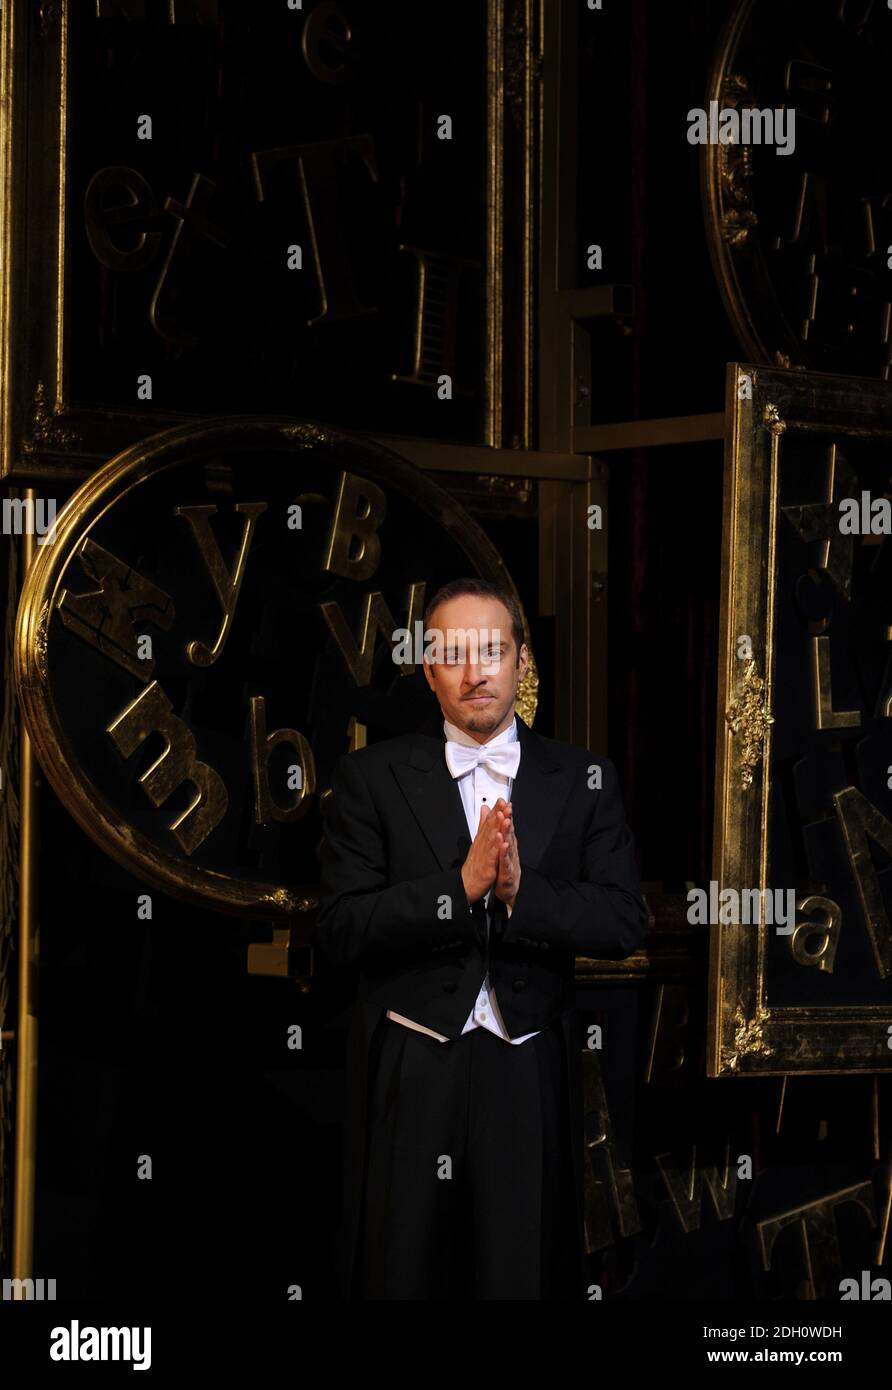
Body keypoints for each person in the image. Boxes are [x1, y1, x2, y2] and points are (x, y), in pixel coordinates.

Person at [314, 577, 648, 1299]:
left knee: (519, 1274)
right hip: (412, 1061)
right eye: (455, 654)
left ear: (522, 661)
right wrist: (457, 889)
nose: (476, 672)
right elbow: (340, 927)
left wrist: (523, 894)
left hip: (526, 1067)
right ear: (429, 668)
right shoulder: (370, 777)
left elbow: (622, 922)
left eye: (493, 650)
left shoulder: (586, 777)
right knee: (399, 1272)